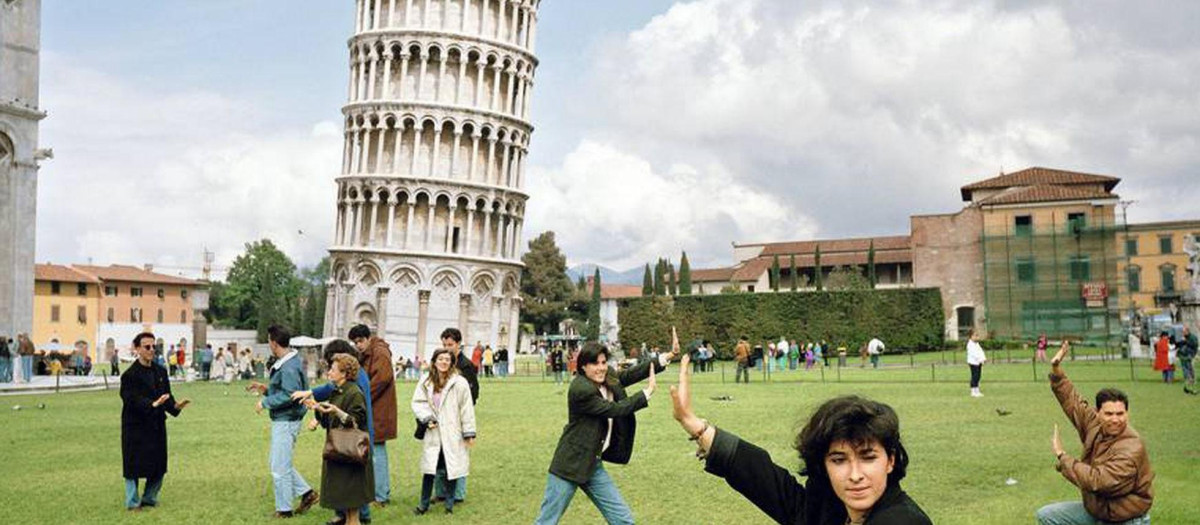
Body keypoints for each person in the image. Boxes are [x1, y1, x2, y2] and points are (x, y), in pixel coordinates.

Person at [669, 352, 930, 525]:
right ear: (824, 465)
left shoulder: (902, 520)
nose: (855, 475)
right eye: (839, 460)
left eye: (868, 457)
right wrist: (696, 426)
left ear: (890, 461)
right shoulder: (833, 508)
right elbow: (768, 482)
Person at [533, 330, 677, 525]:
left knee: (623, 520)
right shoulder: (581, 389)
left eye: (603, 362)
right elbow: (616, 410)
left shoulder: (606, 375)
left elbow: (628, 375)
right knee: (547, 521)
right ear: (583, 366)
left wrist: (666, 357)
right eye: (595, 364)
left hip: (593, 463)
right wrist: (647, 393)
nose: (601, 368)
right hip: (570, 464)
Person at [1036, 340, 1154, 524]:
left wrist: (1062, 456)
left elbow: (1098, 481)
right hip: (1099, 511)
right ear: (1098, 413)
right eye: (1109, 414)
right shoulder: (1095, 425)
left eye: (1120, 414)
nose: (1115, 419)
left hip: (1125, 517)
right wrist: (1057, 371)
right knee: (1047, 515)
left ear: (1127, 413)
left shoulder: (1132, 447)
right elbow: (1073, 403)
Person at [294, 339, 376, 524]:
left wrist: (336, 411)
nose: (329, 372)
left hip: (351, 451)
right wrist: (317, 408)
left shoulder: (354, 392)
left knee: (353, 508)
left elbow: (356, 421)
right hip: (340, 451)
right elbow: (329, 421)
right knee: (346, 502)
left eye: (332, 368)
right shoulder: (337, 391)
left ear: (344, 373)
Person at [249, 325, 318, 518]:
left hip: (286, 420)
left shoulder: (288, 366)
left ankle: (284, 510)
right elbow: (287, 391)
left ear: (273, 343)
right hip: (287, 419)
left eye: (269, 340)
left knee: (279, 467)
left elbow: (290, 394)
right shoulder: (291, 362)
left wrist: (265, 402)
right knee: (279, 463)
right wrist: (266, 390)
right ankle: (307, 494)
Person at [120, 332, 191, 511]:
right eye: (147, 347)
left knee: (159, 464)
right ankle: (132, 503)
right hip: (136, 426)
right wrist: (151, 404)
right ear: (137, 349)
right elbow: (130, 399)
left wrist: (176, 406)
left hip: (156, 424)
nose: (152, 350)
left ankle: (150, 498)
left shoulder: (160, 371)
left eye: (154, 346)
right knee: (133, 465)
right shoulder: (129, 375)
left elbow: (166, 397)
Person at [412, 348, 477, 515]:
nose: (444, 362)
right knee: (430, 469)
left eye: (447, 359)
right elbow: (418, 402)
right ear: (434, 361)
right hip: (433, 431)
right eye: (440, 359)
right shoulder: (426, 381)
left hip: (452, 431)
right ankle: (423, 504)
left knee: (451, 467)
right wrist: (427, 418)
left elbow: (466, 408)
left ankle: (449, 504)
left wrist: (469, 432)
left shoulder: (459, 383)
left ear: (452, 363)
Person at [347, 324, 399, 508]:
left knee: (377, 451)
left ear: (369, 338)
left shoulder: (380, 352)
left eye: (360, 341)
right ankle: (375, 492)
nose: (358, 345)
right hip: (373, 408)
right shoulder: (367, 353)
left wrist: (361, 397)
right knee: (373, 451)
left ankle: (381, 495)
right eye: (355, 342)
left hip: (379, 410)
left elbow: (382, 379)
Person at [434, 327, 478, 504]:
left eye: (450, 345)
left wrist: (463, 417)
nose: (447, 348)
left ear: (458, 344)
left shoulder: (466, 366)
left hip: (458, 418)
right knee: (439, 453)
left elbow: (473, 394)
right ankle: (440, 492)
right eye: (444, 344)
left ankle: (458, 493)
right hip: (441, 416)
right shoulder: (441, 362)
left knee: (458, 455)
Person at [965, 329, 987, 398]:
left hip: (978, 363)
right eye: (975, 336)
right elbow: (974, 354)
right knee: (974, 376)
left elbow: (980, 351)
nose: (977, 337)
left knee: (978, 376)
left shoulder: (977, 344)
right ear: (971, 336)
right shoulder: (970, 345)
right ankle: (973, 391)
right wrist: (980, 359)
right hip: (973, 363)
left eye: (977, 336)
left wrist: (983, 358)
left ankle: (977, 390)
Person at [1179, 326, 1197, 395]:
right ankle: (1188, 379)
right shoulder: (1184, 337)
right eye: (1182, 332)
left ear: (1187, 331)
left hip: (1190, 354)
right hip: (1183, 355)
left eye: (1184, 332)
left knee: (1190, 367)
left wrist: (1185, 341)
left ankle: (1192, 380)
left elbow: (1194, 345)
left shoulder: (1192, 337)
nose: (1183, 333)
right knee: (1184, 368)